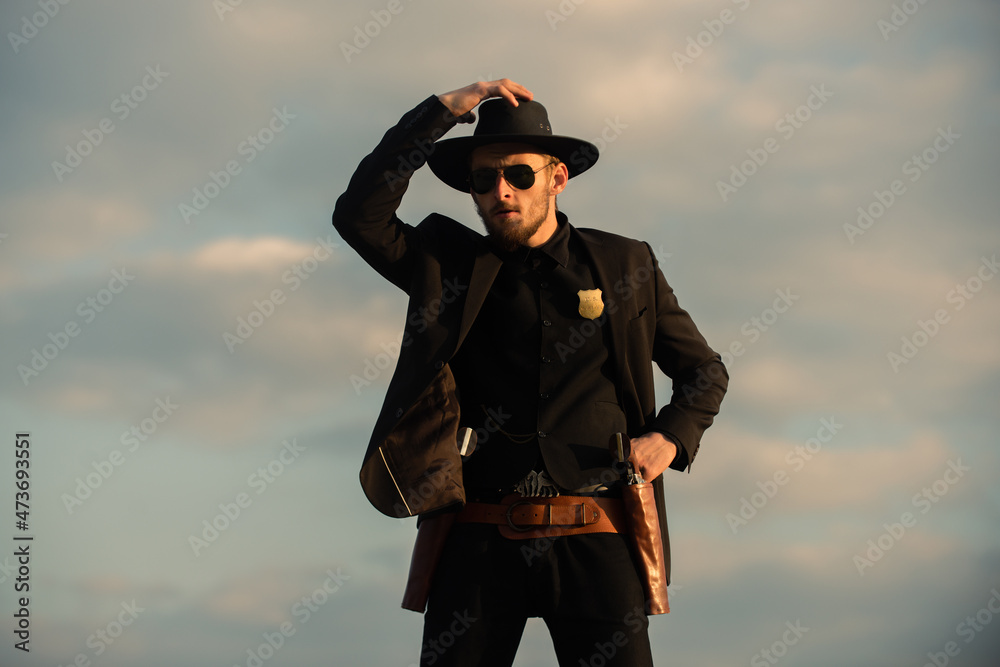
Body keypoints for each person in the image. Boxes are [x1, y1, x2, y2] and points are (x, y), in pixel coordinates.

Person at [332, 79, 728, 667]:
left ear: (556, 177)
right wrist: (439, 113)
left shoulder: (626, 264)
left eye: (519, 175)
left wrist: (670, 436)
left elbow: (704, 371)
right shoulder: (447, 265)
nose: (501, 191)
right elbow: (359, 215)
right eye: (483, 178)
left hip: (599, 530)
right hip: (476, 535)